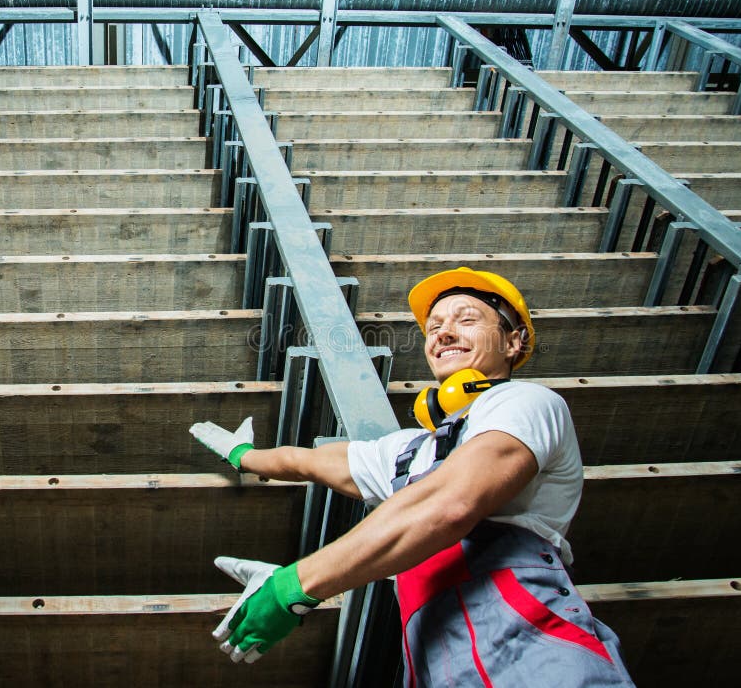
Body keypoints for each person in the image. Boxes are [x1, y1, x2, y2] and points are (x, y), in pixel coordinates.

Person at [191, 266, 635, 686]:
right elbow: (311, 462)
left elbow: (450, 503)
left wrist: (295, 584)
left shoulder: (527, 403)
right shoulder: (412, 452)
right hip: (434, 664)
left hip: (539, 658)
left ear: (514, 342)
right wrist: (244, 455)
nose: (443, 332)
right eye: (434, 326)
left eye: (467, 319)